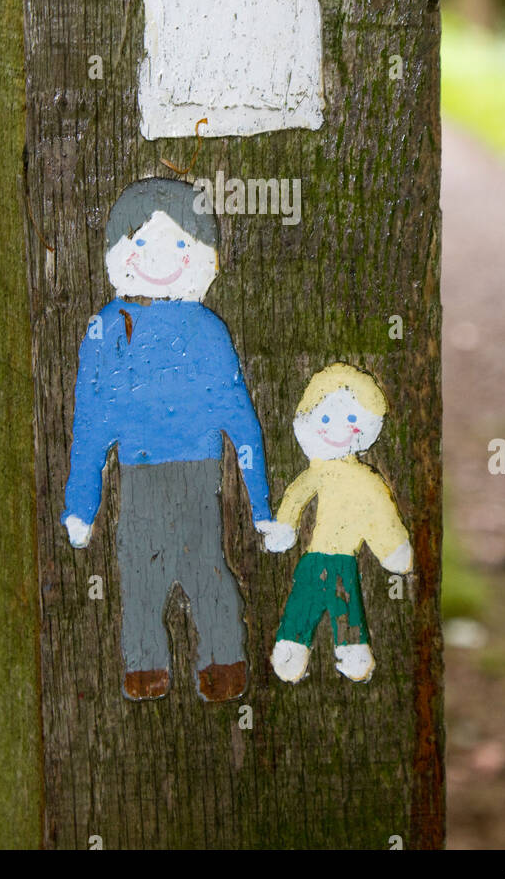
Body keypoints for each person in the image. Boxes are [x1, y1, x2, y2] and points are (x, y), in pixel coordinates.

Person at [62, 176, 274, 703]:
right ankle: (145, 663)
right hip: (137, 471)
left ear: (202, 254)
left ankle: (223, 657)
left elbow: (239, 415)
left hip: (199, 470)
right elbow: (91, 419)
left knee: (204, 565)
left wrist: (262, 506)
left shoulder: (207, 330)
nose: (160, 258)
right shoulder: (108, 328)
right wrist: (81, 504)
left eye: (180, 243)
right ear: (120, 253)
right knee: (137, 567)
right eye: (142, 243)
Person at [267, 363, 413, 685]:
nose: (336, 429)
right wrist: (284, 527)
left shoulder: (366, 481)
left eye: (349, 419)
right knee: (304, 596)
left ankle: (352, 646)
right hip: (315, 554)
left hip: (346, 557)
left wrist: (393, 548)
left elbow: (381, 516)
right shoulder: (317, 472)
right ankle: (291, 642)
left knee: (345, 601)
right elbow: (295, 496)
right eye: (325, 419)